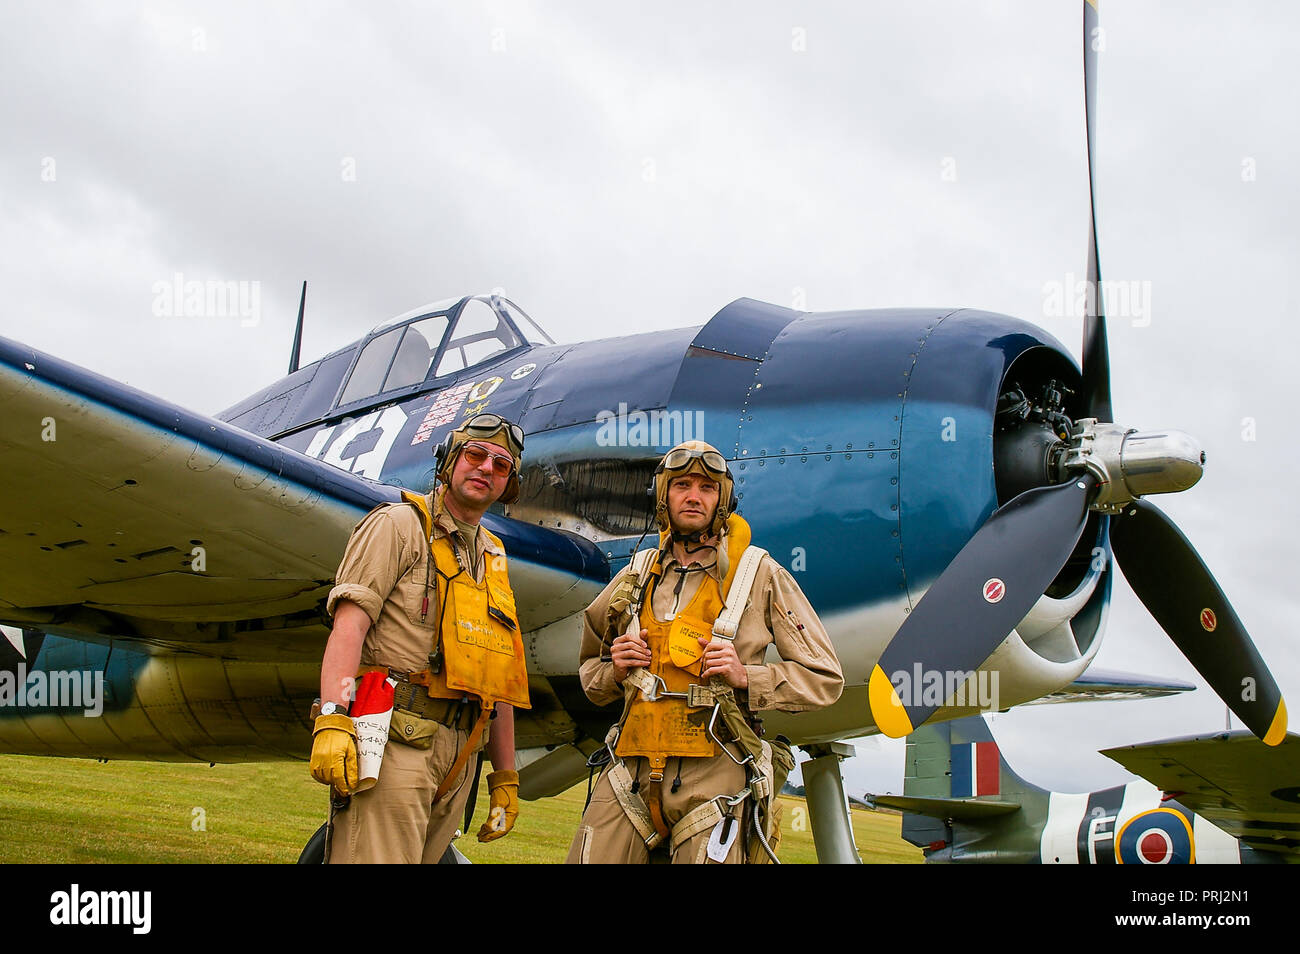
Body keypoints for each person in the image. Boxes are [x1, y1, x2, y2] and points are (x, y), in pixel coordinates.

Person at [566, 440, 843, 864]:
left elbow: (825, 679)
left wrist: (747, 676)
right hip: (630, 771)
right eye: (681, 485)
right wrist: (616, 670)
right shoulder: (634, 578)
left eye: (707, 487)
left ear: (723, 500)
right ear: (663, 497)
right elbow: (590, 669)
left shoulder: (761, 575)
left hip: (717, 773)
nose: (693, 495)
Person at [309, 413, 529, 864]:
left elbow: (499, 673)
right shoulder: (397, 525)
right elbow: (350, 625)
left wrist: (504, 775)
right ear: (449, 460)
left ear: (509, 483)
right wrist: (332, 716)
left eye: (501, 465)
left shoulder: (494, 556)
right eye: (475, 455)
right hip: (395, 738)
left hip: (461, 751)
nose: (487, 468)